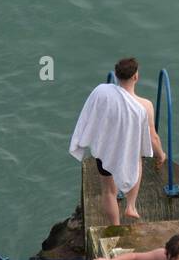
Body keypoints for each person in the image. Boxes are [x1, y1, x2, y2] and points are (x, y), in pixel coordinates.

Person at [69, 58, 165, 222]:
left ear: (116, 75)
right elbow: (153, 137)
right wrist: (160, 154)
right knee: (138, 159)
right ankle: (131, 205)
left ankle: (116, 226)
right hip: (127, 152)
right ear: (136, 77)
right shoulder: (144, 105)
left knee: (108, 192)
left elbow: (90, 114)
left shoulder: (102, 92)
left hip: (105, 151)